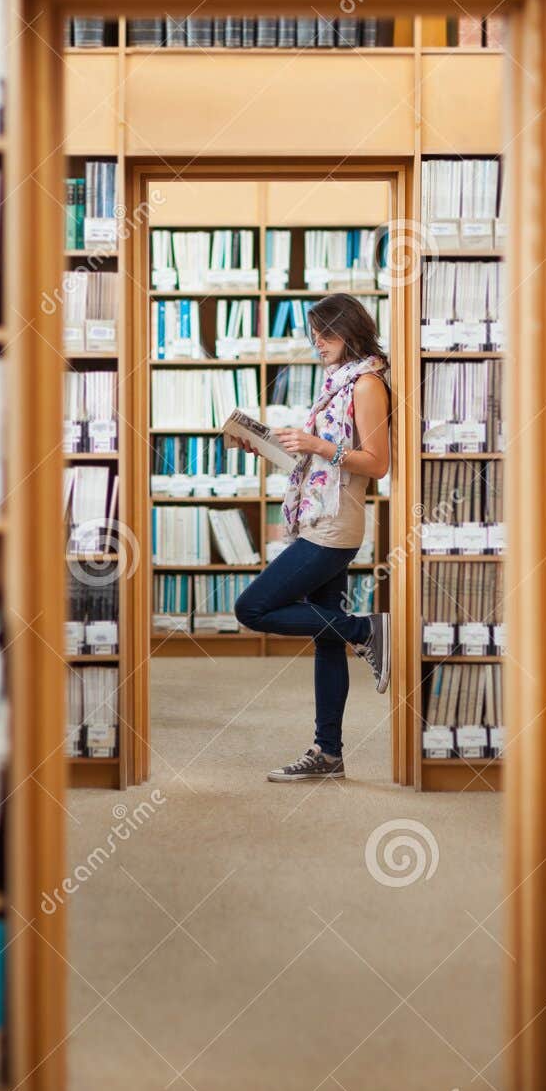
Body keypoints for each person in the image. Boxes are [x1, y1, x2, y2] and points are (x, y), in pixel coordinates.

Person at [232, 293, 391, 782]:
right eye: (314, 334)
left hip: (335, 526)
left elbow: (378, 463)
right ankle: (329, 753)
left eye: (327, 333)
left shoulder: (366, 384)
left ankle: (367, 631)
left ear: (351, 331)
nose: (318, 343)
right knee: (326, 637)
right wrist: (273, 448)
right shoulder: (337, 381)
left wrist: (318, 444)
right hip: (317, 514)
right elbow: (324, 460)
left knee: (251, 609)